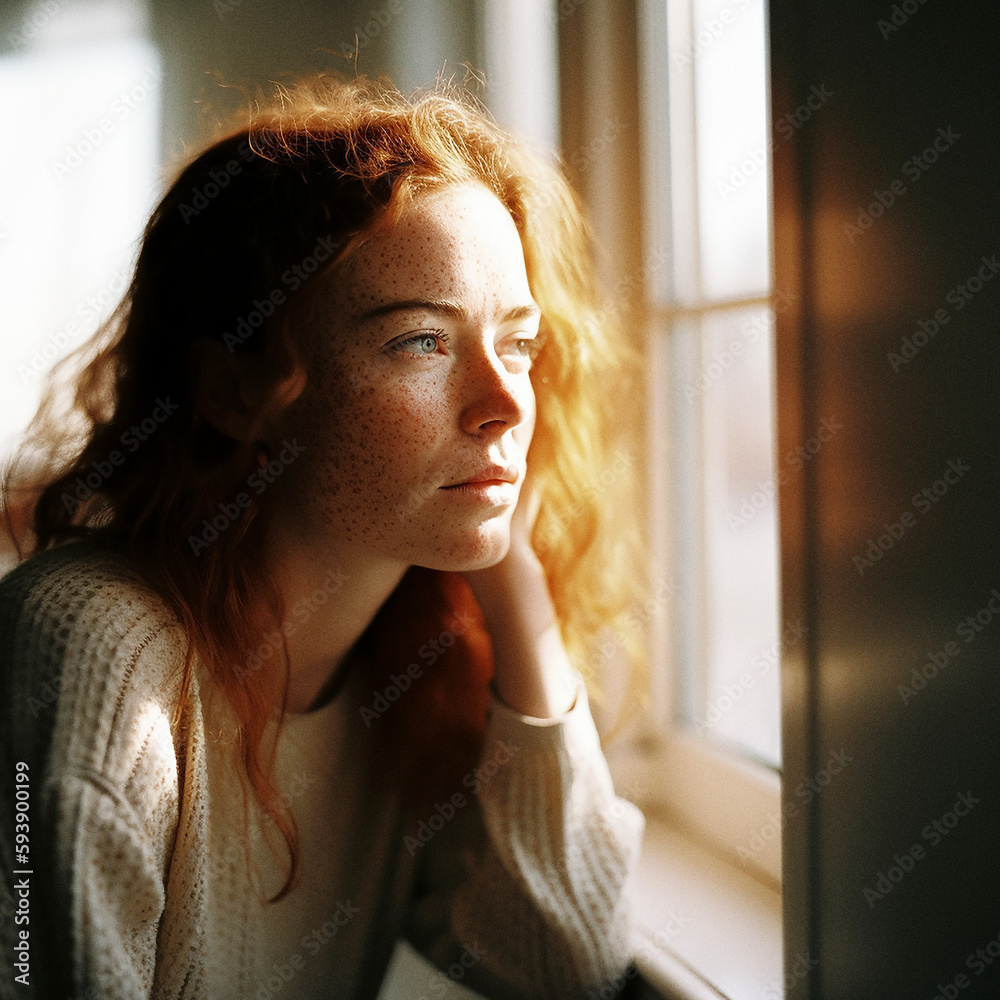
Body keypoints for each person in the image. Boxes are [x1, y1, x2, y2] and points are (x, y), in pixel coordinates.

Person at [0, 73, 646, 999]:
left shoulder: (414, 672)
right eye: (421, 341)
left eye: (519, 344)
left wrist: (516, 581)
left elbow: (565, 968)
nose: (507, 404)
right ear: (236, 394)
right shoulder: (93, 647)